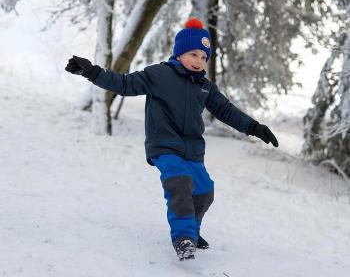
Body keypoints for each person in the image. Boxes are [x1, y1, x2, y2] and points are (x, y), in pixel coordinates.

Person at [65, 18, 278, 261]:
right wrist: (91, 72)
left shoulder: (205, 87)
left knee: (205, 191)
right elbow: (124, 84)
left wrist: (254, 127)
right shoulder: (159, 74)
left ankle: (193, 233)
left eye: (203, 57)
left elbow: (226, 111)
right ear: (179, 54)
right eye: (193, 54)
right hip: (164, 145)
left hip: (192, 150)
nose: (199, 61)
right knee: (180, 183)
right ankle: (183, 237)